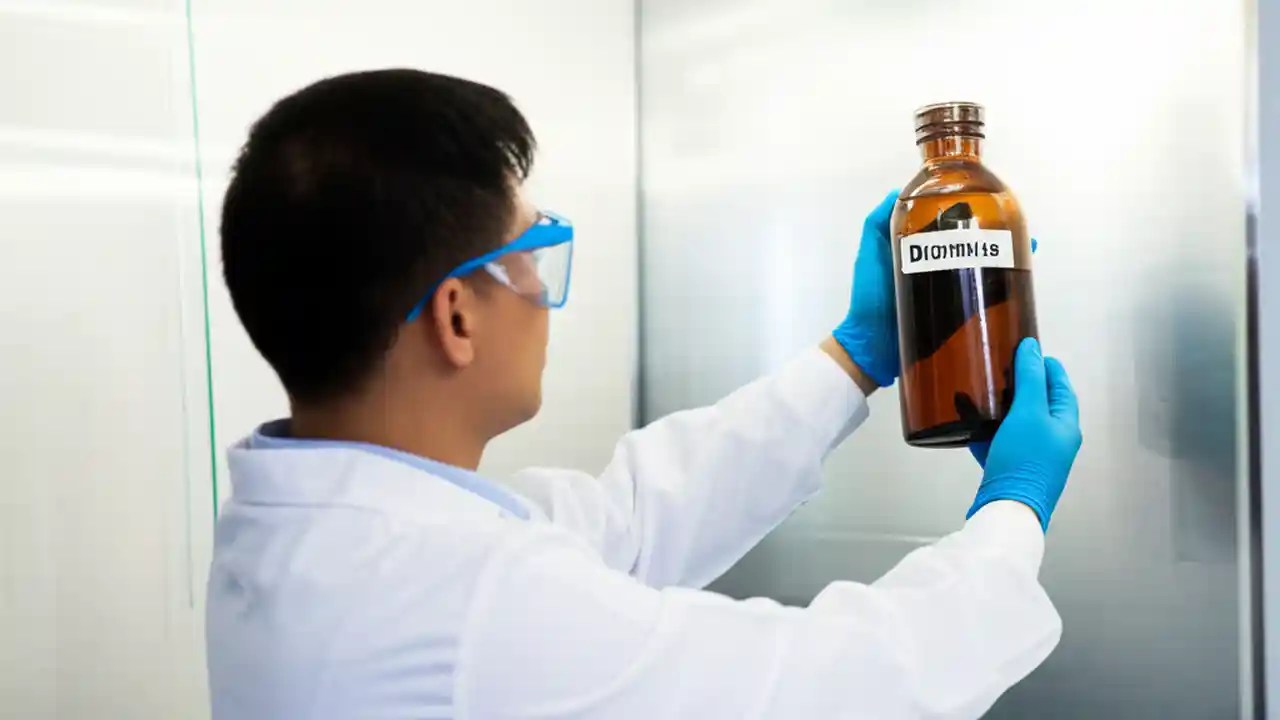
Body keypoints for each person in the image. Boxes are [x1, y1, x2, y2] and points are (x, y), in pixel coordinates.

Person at [206, 69, 1082, 720]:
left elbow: (625, 522)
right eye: (531, 257)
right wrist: (1013, 510)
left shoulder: (317, 531)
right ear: (457, 317)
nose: (544, 296)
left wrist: (852, 359)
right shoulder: (470, 606)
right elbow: (844, 683)